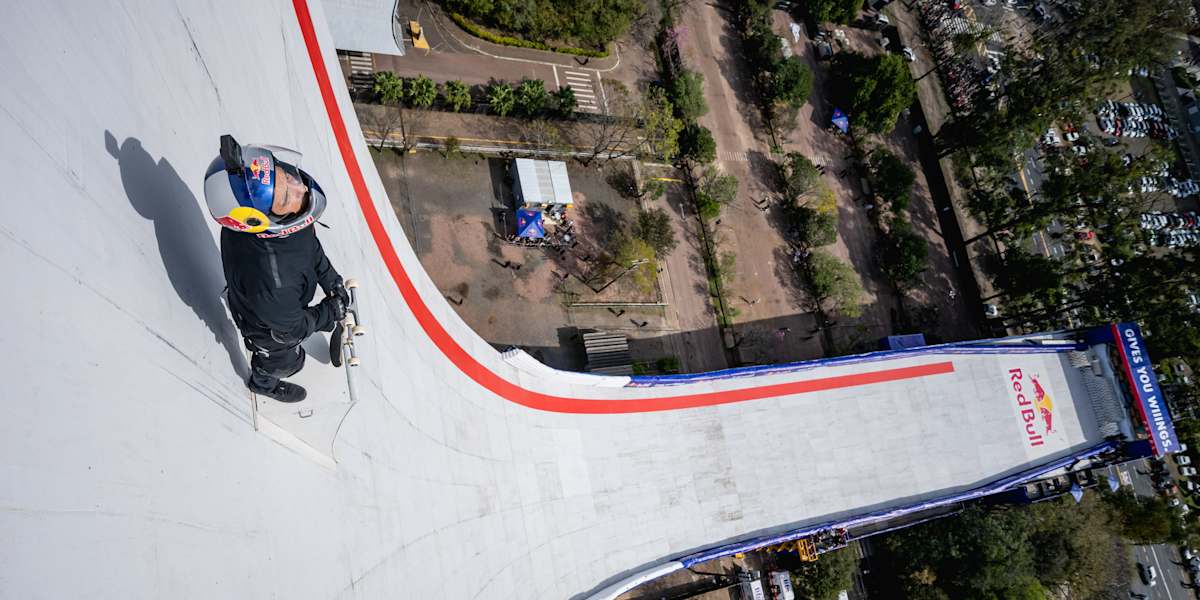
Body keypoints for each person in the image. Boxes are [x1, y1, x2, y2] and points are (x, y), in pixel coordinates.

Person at [203, 135, 347, 403]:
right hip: (268, 330)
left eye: (285, 175)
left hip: (268, 305)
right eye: (285, 196)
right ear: (259, 220)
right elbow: (291, 330)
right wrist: (328, 313)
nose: (300, 189)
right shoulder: (272, 285)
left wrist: (331, 280)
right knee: (287, 362)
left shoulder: (271, 223)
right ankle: (262, 383)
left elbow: (307, 245)